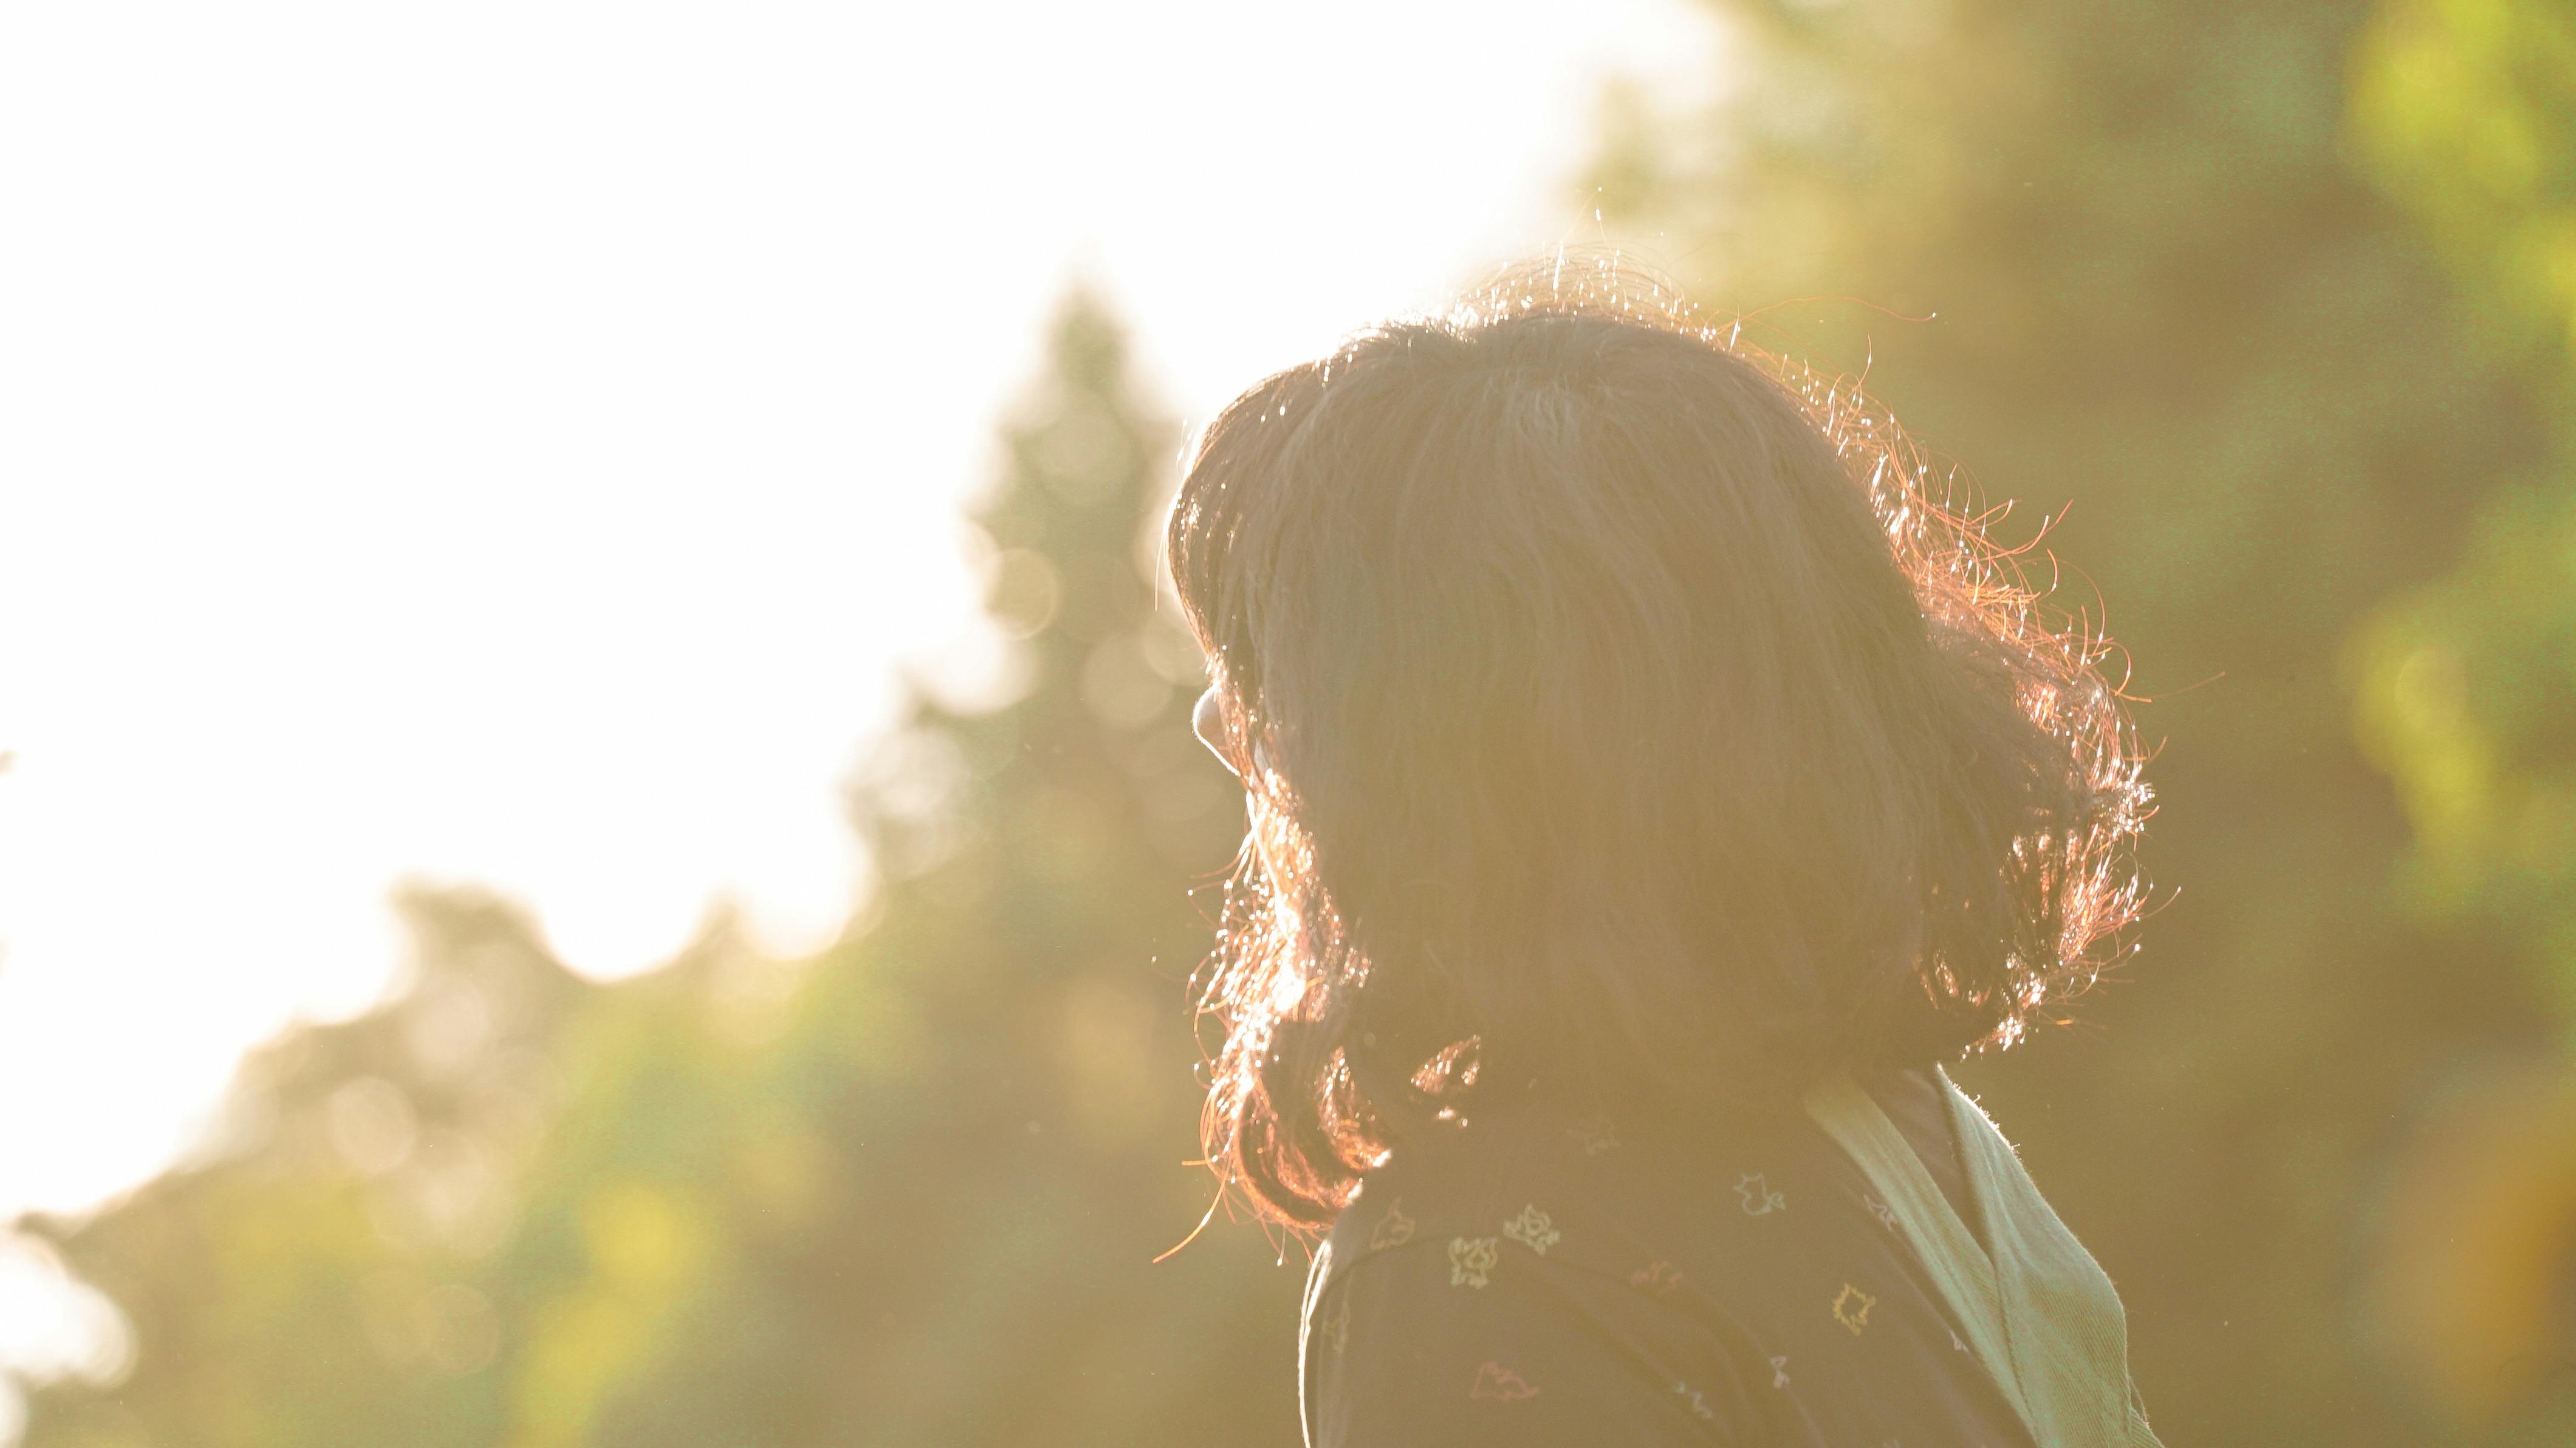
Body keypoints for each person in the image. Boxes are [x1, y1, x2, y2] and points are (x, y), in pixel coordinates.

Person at [1163, 265, 2162, 1447]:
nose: (1220, 725)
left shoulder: (1473, 1266)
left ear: (1451, 761)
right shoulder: (1910, 1139)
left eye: (1284, 677)